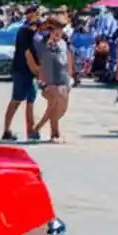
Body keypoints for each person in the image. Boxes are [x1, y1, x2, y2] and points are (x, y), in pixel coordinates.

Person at [2, 5, 43, 142]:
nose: (37, 15)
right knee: (17, 100)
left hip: (32, 70)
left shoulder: (37, 31)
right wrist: (36, 71)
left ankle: (30, 130)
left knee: (31, 100)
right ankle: (6, 130)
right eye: (34, 13)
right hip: (22, 69)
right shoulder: (24, 31)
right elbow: (27, 54)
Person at [33, 15, 74, 143]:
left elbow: (68, 60)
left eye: (61, 30)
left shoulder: (63, 43)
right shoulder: (42, 42)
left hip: (63, 79)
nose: (59, 33)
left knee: (61, 108)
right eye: (57, 30)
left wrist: (71, 77)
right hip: (49, 80)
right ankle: (53, 133)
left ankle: (39, 129)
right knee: (53, 104)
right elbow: (39, 58)